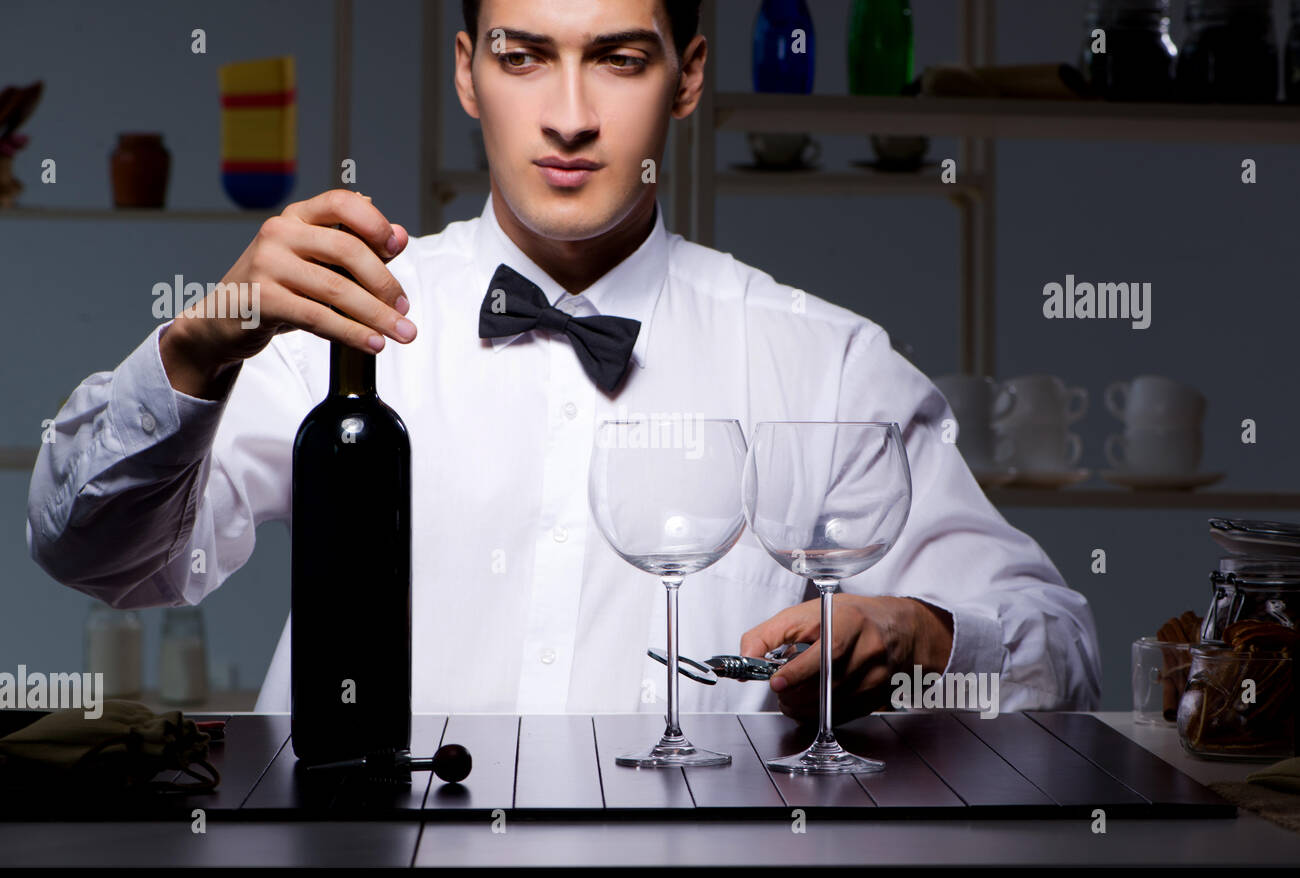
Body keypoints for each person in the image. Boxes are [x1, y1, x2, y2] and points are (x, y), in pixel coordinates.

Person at [26, 0, 1100, 721]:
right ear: (466, 72)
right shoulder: (333, 319)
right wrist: (197, 346)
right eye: (523, 55)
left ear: (687, 79)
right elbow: (93, 557)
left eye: (619, 59)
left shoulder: (824, 361)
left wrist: (922, 633)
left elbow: (1060, 647)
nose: (571, 117)